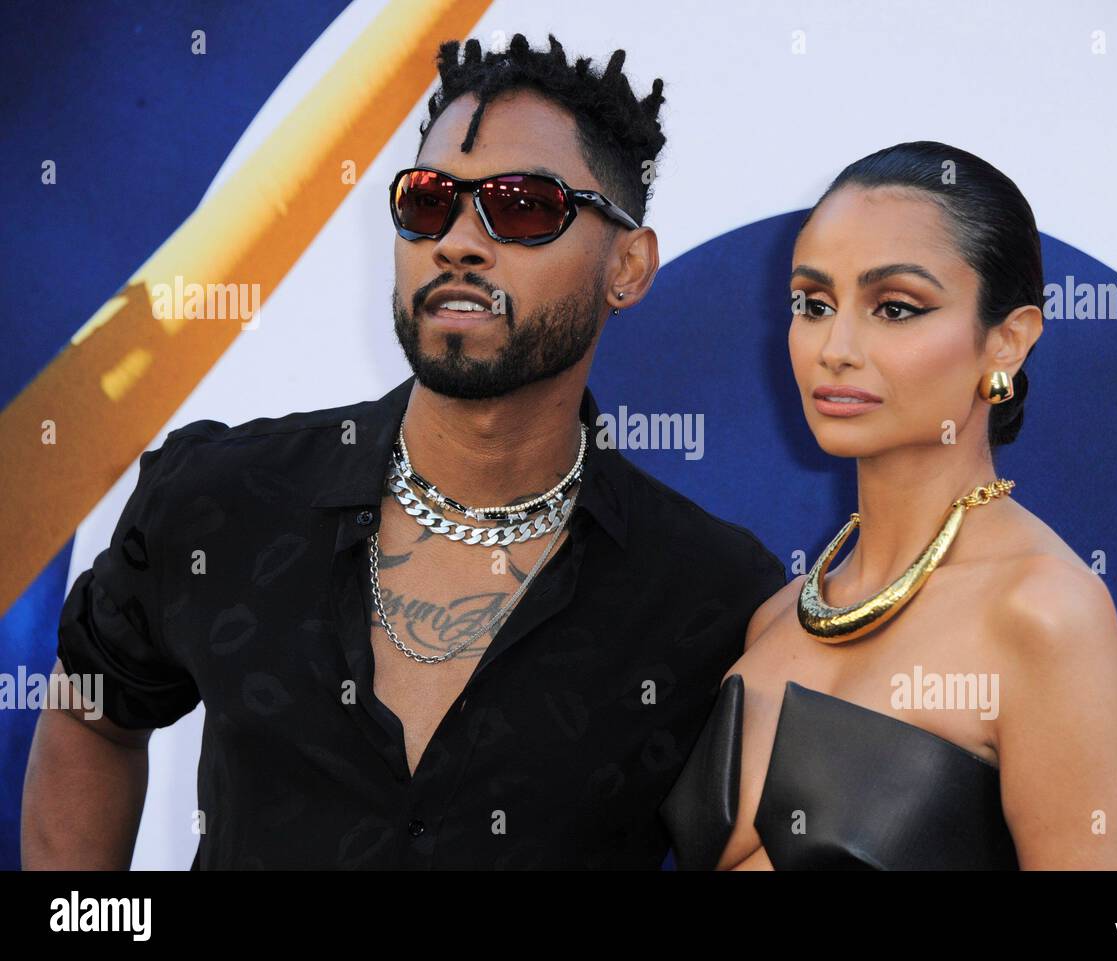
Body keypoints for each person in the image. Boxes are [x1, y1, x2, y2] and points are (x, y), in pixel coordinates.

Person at [22, 33, 785, 870]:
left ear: (629, 267)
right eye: (428, 202)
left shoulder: (711, 596)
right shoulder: (220, 498)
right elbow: (93, 714)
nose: (458, 240)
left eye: (522, 205)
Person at [660, 141, 1117, 870]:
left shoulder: (1043, 611)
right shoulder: (776, 617)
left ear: (1007, 342)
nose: (835, 346)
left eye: (894, 307)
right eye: (814, 303)